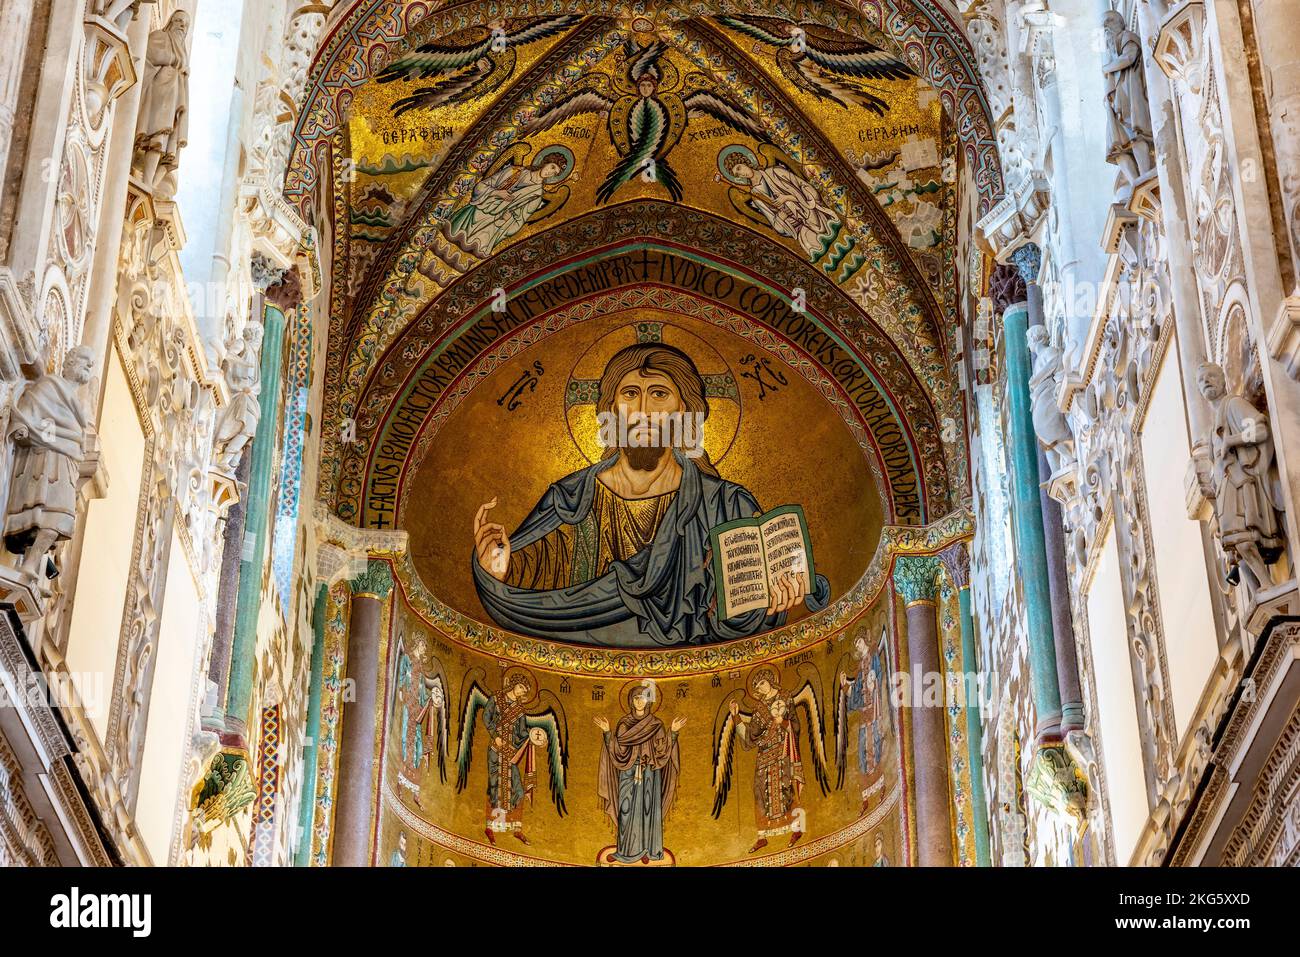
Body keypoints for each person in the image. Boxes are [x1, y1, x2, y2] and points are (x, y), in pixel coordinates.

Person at [471, 342, 829, 645]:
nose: (642, 411)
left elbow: (730, 623)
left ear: (685, 410)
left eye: (659, 394)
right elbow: (537, 578)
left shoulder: (725, 504)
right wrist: (500, 568)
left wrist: (773, 603)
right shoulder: (571, 498)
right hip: (584, 663)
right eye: (630, 394)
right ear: (611, 410)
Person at [5, 346, 95, 578]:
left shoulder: (78, 407)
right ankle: (28, 562)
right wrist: (25, 427)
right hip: (44, 458)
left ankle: (32, 562)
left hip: (65, 461)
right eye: (85, 360)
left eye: (92, 363)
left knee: (62, 518)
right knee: (45, 514)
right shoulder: (49, 386)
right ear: (70, 362)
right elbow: (30, 411)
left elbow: (70, 433)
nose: (89, 366)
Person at [595, 681, 684, 863]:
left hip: (650, 773)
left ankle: (648, 850)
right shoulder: (624, 723)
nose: (640, 702)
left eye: (643, 698)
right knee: (626, 809)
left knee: (648, 809)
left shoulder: (656, 724)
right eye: (636, 698)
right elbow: (617, 751)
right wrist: (607, 733)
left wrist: (673, 733)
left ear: (649, 701)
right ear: (630, 701)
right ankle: (626, 851)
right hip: (628, 772)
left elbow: (662, 751)